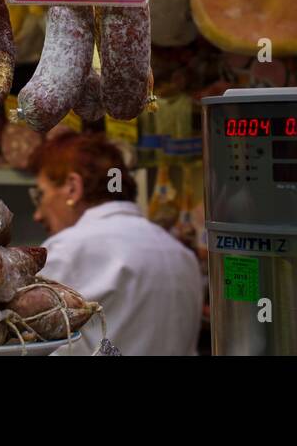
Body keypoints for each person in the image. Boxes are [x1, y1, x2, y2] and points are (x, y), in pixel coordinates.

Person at [29, 132, 203, 355]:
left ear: (73, 187)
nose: (37, 214)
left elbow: (37, 347)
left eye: (40, 195)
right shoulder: (180, 254)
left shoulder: (69, 248)